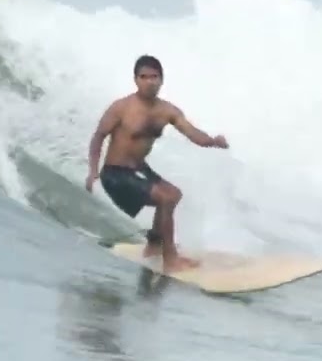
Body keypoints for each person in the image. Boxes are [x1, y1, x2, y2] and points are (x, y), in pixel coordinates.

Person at [85, 54, 229, 273]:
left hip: (140, 168)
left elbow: (191, 132)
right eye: (144, 77)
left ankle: (154, 245)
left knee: (174, 194)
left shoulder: (167, 111)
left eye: (154, 77)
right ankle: (170, 259)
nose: (150, 81)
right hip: (116, 173)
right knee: (166, 198)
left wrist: (212, 141)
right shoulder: (121, 108)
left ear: (162, 80)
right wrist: (93, 171)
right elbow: (98, 136)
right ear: (135, 80)